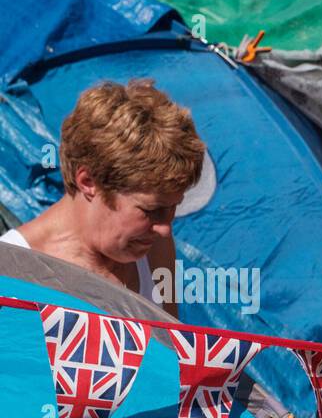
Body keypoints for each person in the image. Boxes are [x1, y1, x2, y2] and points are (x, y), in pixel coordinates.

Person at [0, 79, 205, 317]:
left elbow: (169, 349)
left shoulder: (153, 248)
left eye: (173, 207)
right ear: (88, 182)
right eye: (149, 210)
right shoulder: (10, 273)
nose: (164, 229)